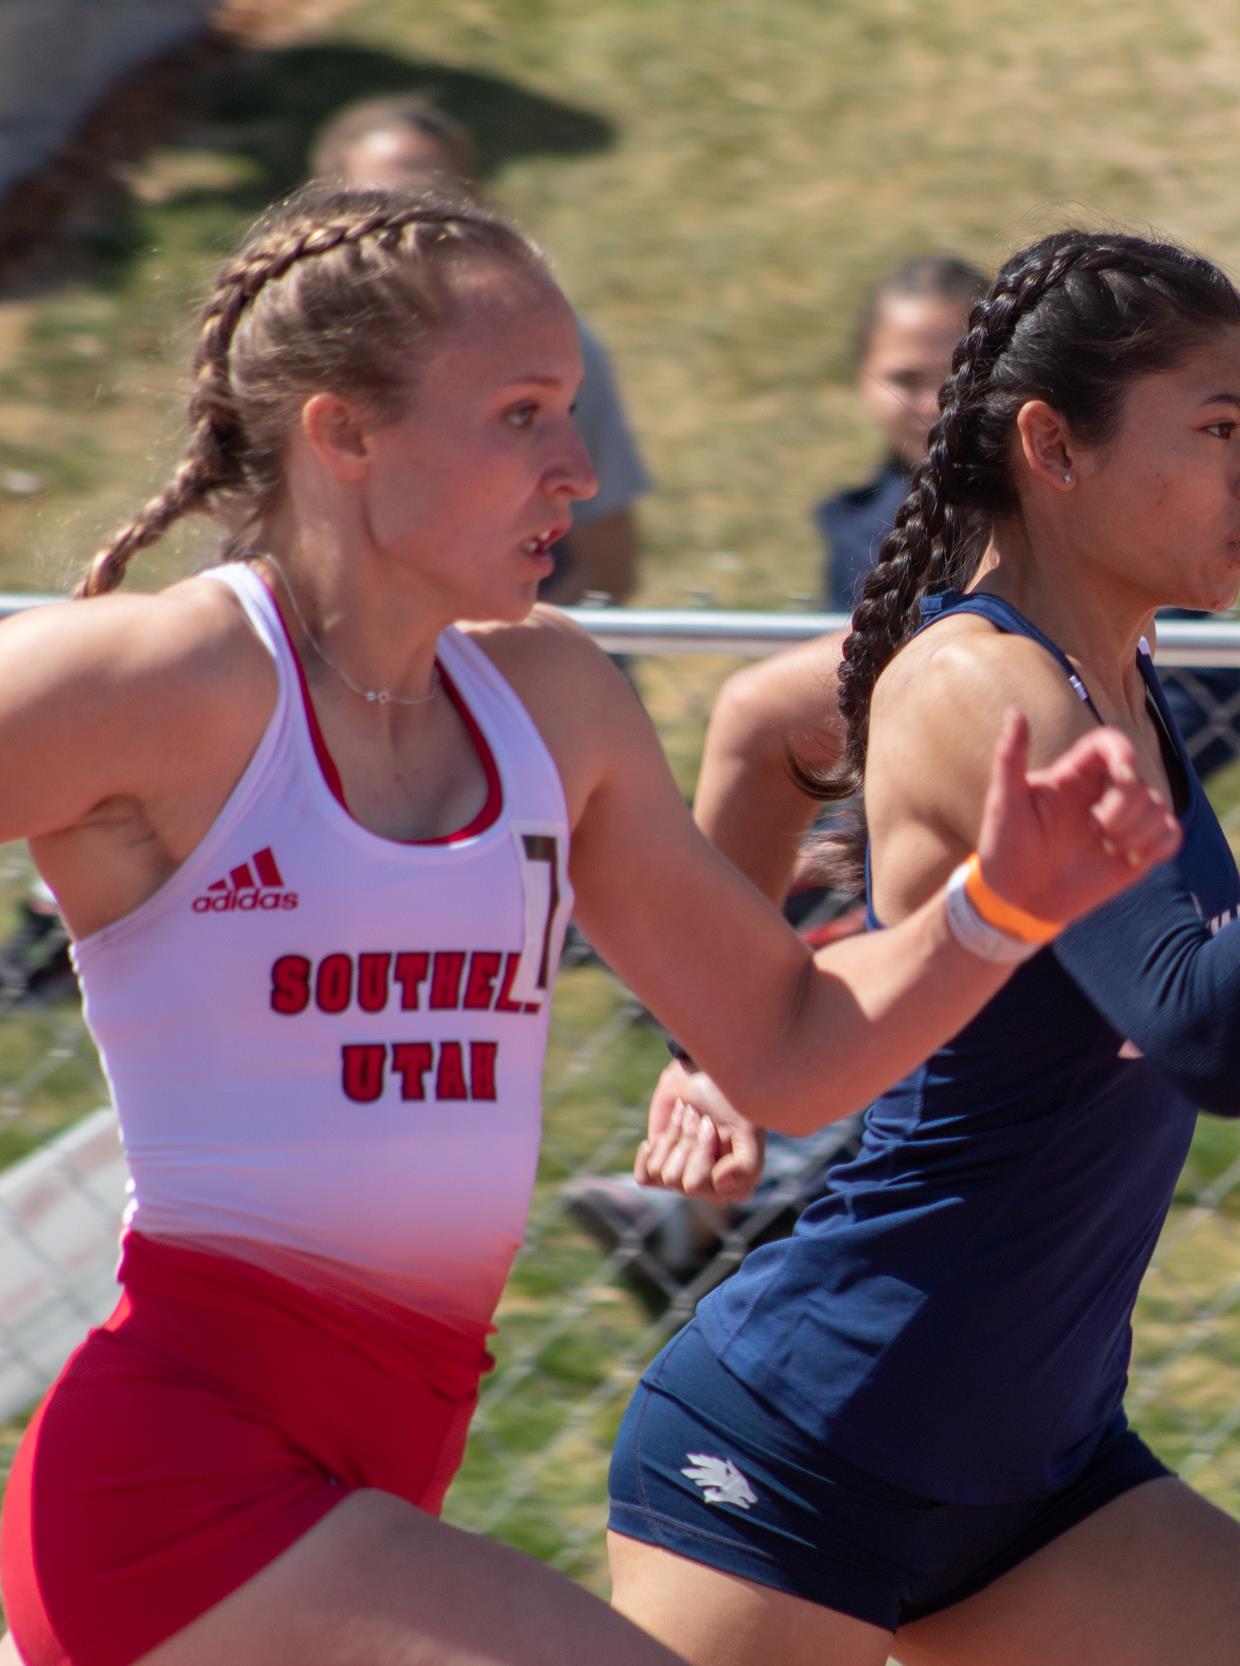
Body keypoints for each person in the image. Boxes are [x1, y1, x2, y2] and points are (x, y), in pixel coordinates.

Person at [0, 185, 1178, 1666]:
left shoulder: (550, 702)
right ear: (341, 432)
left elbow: (790, 1049)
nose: (576, 463)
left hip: (376, 1479)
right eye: (519, 415)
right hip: (179, 1488)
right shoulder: (175, 680)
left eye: (570, 409)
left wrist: (998, 908)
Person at [603, 228, 1240, 1666]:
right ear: (1055, 446)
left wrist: (729, 1038)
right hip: (803, 1456)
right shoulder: (983, 683)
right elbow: (1203, 1029)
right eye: (1219, 431)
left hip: (1035, 1479)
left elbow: (766, 726)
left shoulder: (1105, 675)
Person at [311, 95, 650, 607]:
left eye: (438, 202)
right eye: (382, 209)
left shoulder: (556, 353)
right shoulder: (285, 364)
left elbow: (611, 568)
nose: (413, 227)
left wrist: (482, 662)